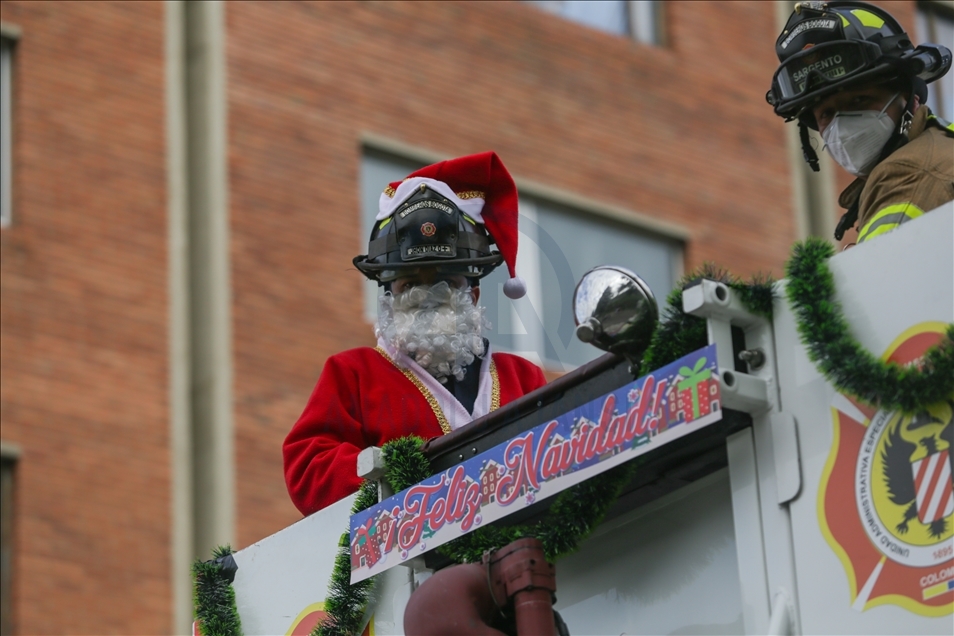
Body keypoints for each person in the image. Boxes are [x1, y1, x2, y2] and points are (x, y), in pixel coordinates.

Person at [284, 152, 547, 515]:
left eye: (445, 280)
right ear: (389, 298)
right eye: (410, 284)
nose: (426, 295)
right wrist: (394, 478)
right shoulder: (352, 374)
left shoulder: (523, 377)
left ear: (472, 294)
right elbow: (308, 464)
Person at [766, 1, 953, 244]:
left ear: (907, 98)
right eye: (827, 113)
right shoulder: (940, 146)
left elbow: (882, 276)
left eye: (858, 99)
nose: (841, 124)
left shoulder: (909, 172)